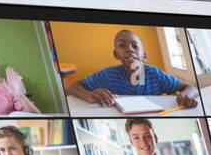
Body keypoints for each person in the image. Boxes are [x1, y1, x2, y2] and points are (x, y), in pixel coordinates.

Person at [66, 29, 199, 108]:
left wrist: (185, 96)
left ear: (144, 56)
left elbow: (191, 88)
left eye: (135, 46)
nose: (129, 49)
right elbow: (72, 87)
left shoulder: (154, 74)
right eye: (122, 46)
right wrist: (89, 95)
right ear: (116, 54)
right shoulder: (108, 75)